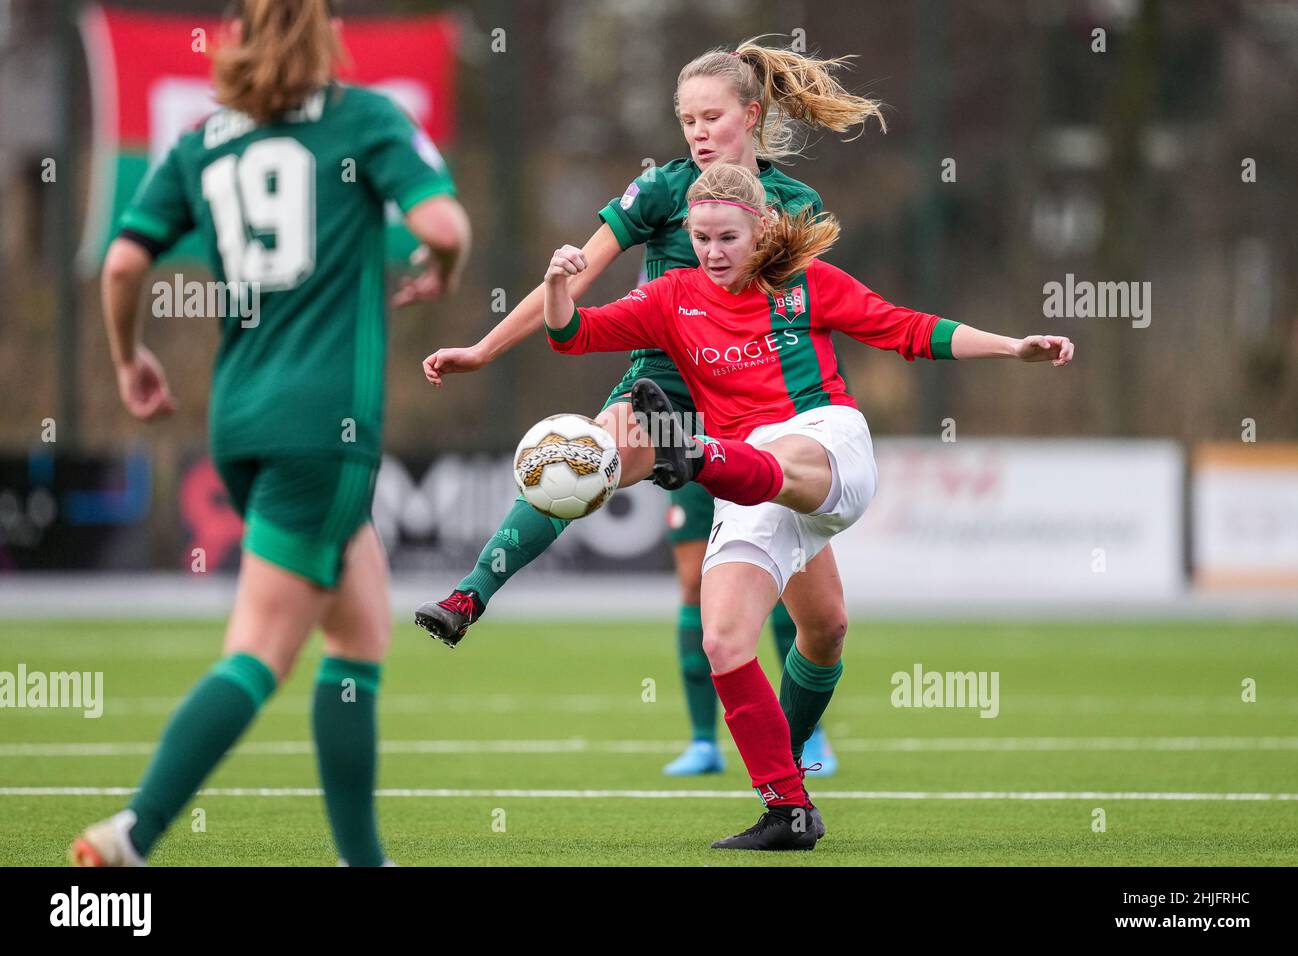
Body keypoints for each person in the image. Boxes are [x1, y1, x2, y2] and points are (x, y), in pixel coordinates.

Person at [541, 161, 1073, 850]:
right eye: (700, 238)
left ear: (760, 228)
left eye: (727, 237)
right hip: (748, 486)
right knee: (761, 637)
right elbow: (570, 334)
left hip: (824, 448)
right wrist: (557, 287)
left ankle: (695, 456)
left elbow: (905, 329)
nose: (712, 252)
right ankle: (789, 810)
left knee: (769, 458)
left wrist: (1010, 347)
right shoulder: (673, 297)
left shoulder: (803, 285)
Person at [70, 0, 470, 866]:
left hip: (241, 418)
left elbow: (125, 259)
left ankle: (366, 862)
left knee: (360, 631)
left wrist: (130, 356)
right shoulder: (366, 119)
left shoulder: (205, 141)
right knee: (258, 650)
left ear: (238, 39)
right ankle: (134, 833)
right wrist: (437, 271)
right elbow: (445, 226)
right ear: (325, 36)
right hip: (324, 428)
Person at [417, 38, 883, 776]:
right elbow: (578, 275)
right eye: (685, 119)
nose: (697, 132)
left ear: (751, 116)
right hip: (663, 389)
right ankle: (470, 597)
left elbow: (811, 314)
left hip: (760, 408)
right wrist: (483, 349)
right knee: (584, 461)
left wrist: (820, 414)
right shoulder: (664, 188)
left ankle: (796, 745)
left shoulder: (793, 204)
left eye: (711, 117)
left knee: (815, 614)